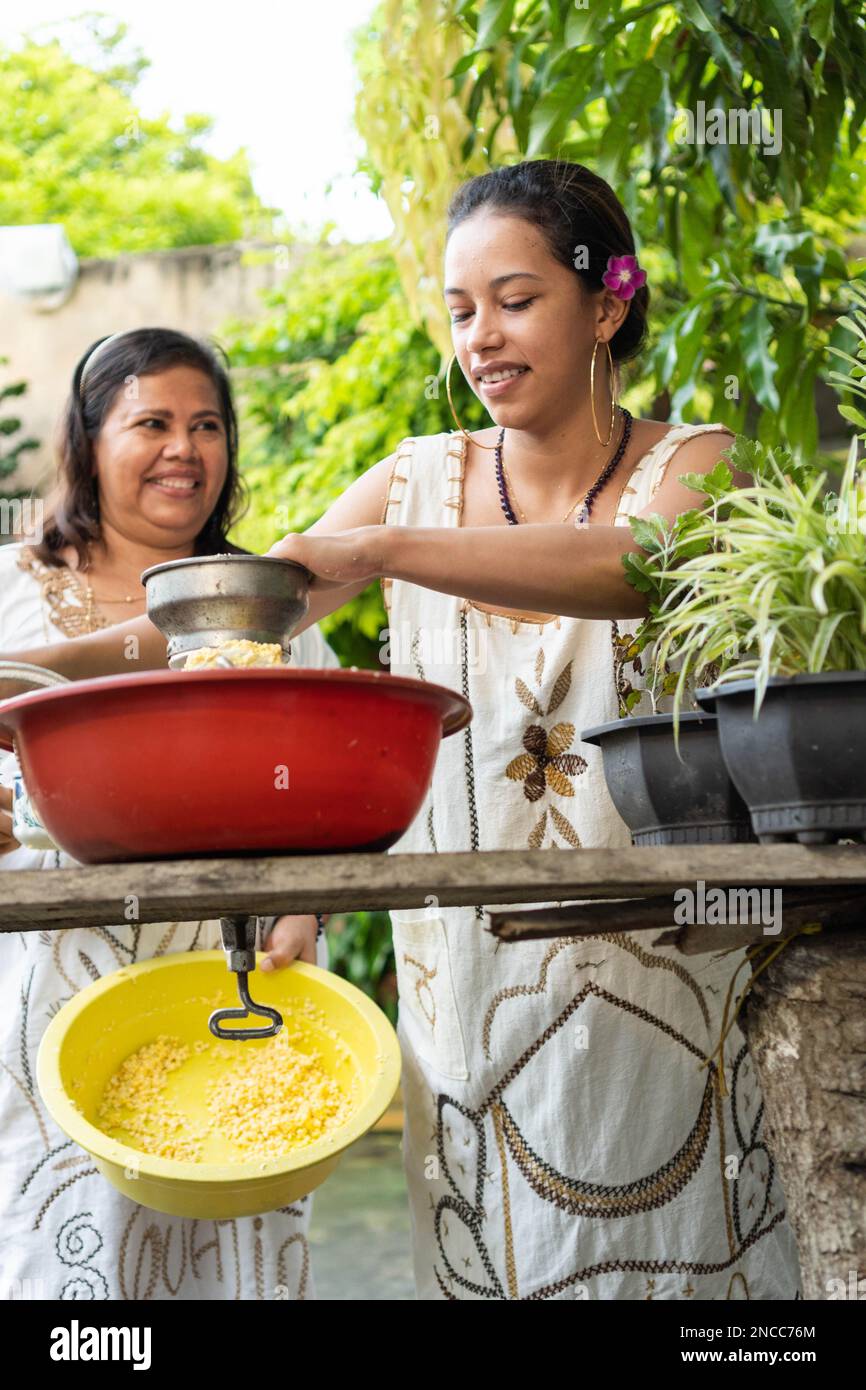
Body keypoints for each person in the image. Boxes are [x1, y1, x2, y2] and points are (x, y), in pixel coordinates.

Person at [1, 161, 804, 1301]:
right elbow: (213, 625)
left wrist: (379, 549)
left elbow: (638, 563)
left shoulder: (696, 467)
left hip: (668, 973)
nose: (479, 336)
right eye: (461, 308)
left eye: (515, 299)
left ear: (607, 302)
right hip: (469, 993)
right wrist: (29, 682)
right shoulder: (411, 479)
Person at [0, 329, 339, 1301]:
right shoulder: (11, 589)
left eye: (207, 426)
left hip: (235, 979)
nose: (184, 448)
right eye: (151, 422)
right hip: (46, 978)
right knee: (64, 1254)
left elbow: (318, 797)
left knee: (233, 1251)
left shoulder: (270, 609)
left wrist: (307, 906)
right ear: (87, 440)